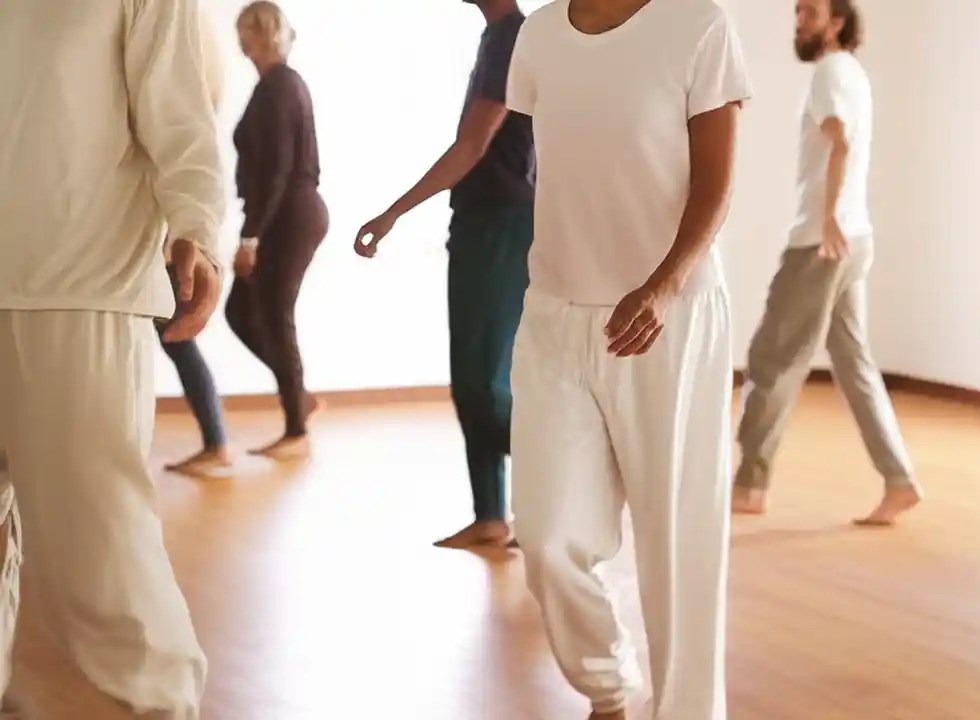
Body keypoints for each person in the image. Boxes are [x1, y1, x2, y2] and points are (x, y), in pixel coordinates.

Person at [505, 0, 751, 717]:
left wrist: (665, 285)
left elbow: (716, 183)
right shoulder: (539, 34)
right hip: (554, 313)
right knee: (548, 536)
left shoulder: (698, 25)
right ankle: (609, 687)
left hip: (667, 318)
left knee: (677, 544)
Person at [0, 0, 223, 715]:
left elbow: (183, 119)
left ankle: (158, 706)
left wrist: (198, 230)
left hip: (79, 286)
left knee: (99, 562)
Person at [731, 0, 921, 525]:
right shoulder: (852, 73)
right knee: (853, 362)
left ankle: (749, 484)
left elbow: (840, 141)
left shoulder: (831, 73)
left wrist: (830, 216)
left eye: (810, 12)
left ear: (837, 23)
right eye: (798, 11)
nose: (799, 21)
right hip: (853, 239)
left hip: (822, 241)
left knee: (771, 359)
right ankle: (899, 478)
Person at [354, 0, 535, 550]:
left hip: (502, 223)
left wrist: (393, 212)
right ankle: (491, 515)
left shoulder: (513, 38)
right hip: (481, 219)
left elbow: (473, 144)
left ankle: (569, 477)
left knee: (483, 384)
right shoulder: (496, 37)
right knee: (473, 381)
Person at [227, 1, 330, 460]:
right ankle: (298, 396)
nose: (239, 39)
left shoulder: (280, 87)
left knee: (275, 317)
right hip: (283, 213)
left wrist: (251, 238)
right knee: (240, 311)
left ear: (260, 33)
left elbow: (277, 171)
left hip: (290, 216)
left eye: (244, 30)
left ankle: (296, 430)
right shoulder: (273, 85)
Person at [161, 6, 234, 477]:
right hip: (168, 230)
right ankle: (217, 442)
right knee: (177, 342)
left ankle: (217, 443)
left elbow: (187, 145)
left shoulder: (180, 23)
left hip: (166, 234)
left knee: (178, 340)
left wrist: (192, 233)